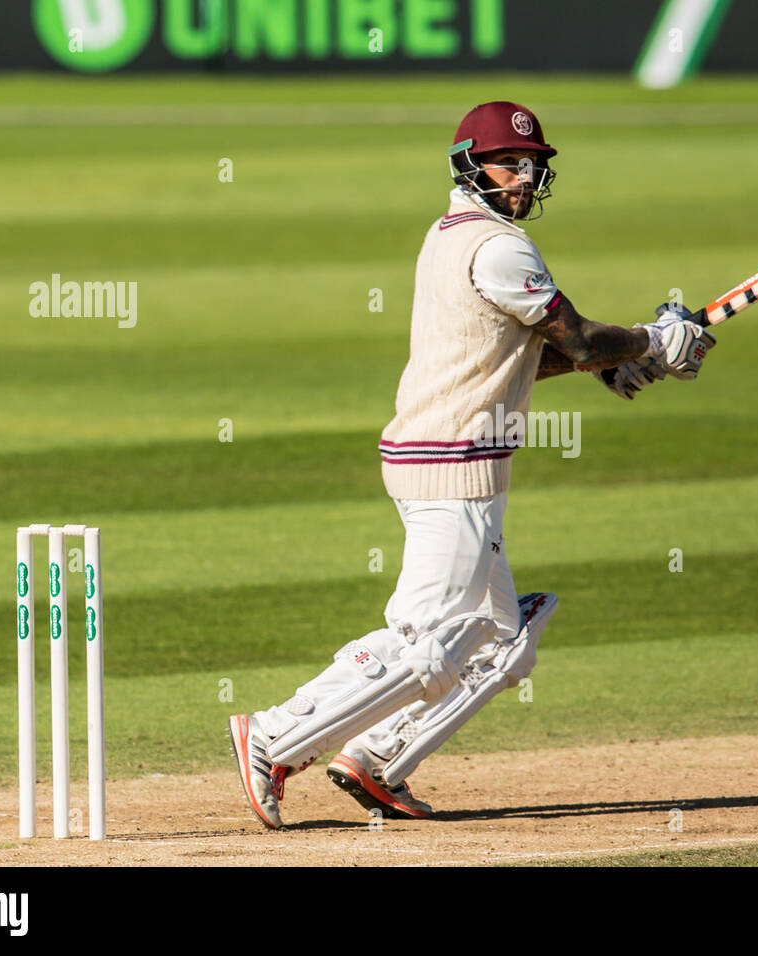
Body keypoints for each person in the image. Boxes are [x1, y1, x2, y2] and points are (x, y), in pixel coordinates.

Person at [228, 101, 715, 827]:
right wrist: (651, 343)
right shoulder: (497, 247)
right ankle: (274, 735)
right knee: (429, 642)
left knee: (500, 641)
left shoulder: (455, 235)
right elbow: (578, 339)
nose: (523, 176)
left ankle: (375, 758)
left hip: (456, 457)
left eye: (532, 165)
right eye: (508, 163)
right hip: (447, 460)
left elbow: (516, 359)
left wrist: (612, 364)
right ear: (470, 164)